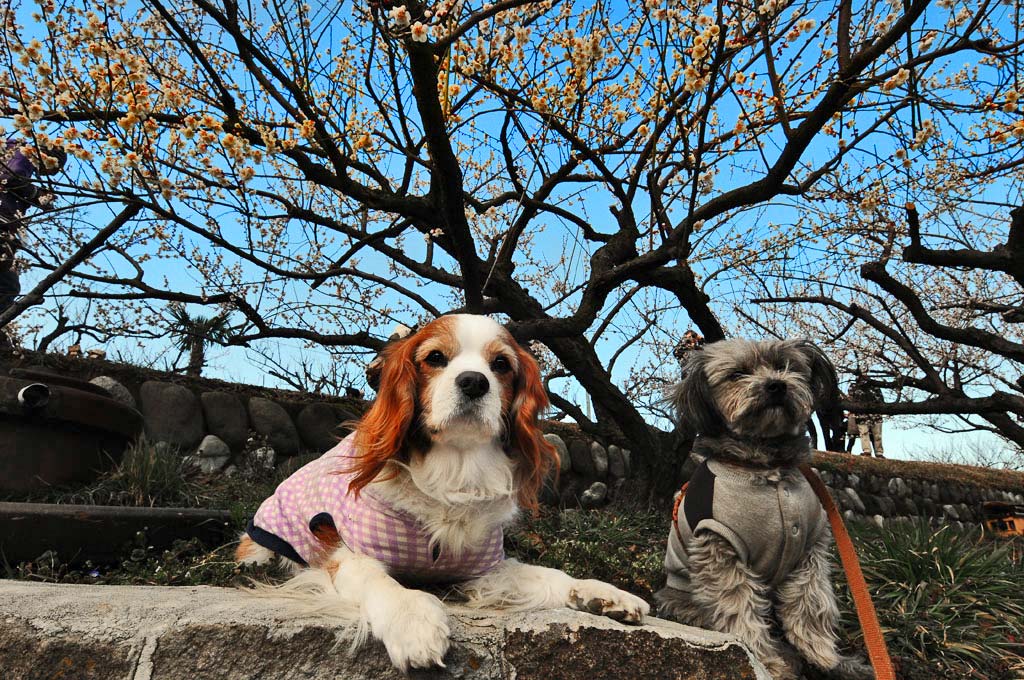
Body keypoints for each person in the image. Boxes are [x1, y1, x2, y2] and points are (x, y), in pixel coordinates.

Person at [0, 138, 66, 330]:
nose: (51, 172)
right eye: (55, 166)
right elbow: (12, 178)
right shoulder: (25, 153)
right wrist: (37, 195)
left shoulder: (9, 150)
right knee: (7, 284)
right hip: (2, 221)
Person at [849, 369, 885, 458]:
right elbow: (851, 399)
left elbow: (881, 399)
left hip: (875, 414)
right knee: (864, 433)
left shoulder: (874, 386)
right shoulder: (854, 386)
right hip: (861, 415)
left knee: (877, 434)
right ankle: (867, 451)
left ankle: (879, 452)